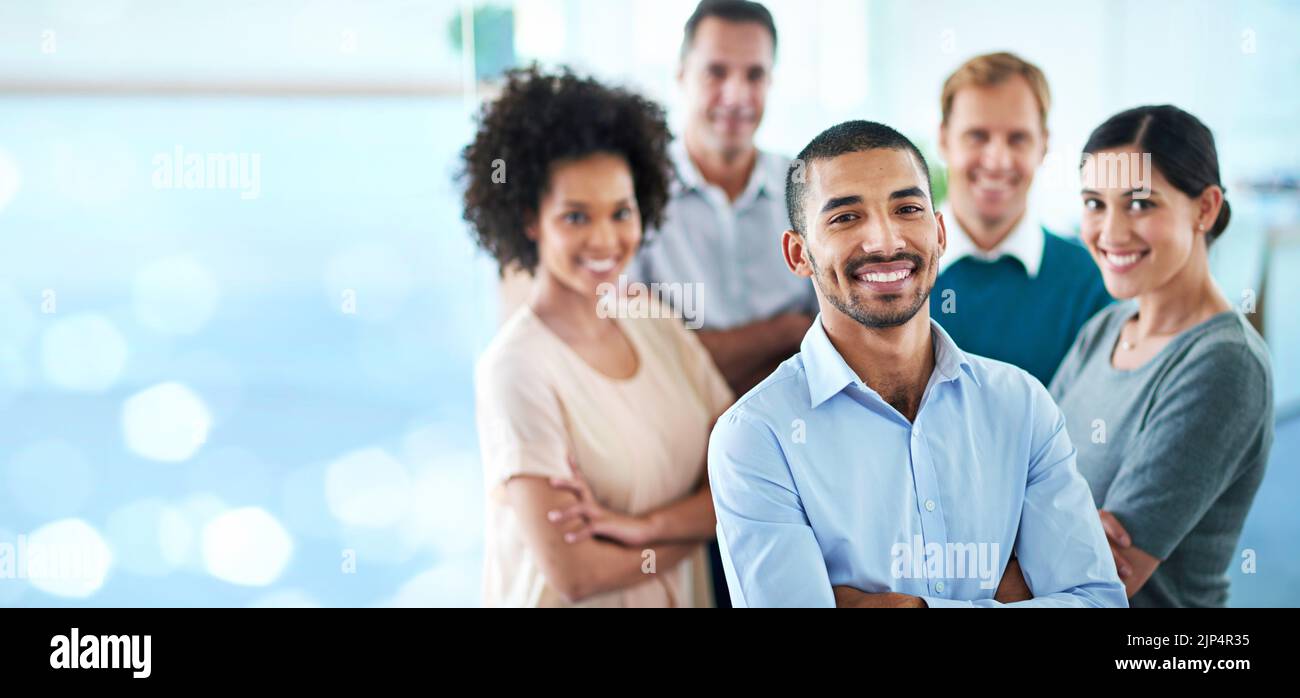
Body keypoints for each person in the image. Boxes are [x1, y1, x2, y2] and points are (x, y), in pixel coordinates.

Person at [707, 119, 1127, 608]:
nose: (884, 241)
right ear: (798, 253)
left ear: (940, 231)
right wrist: (1007, 596)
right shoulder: (757, 436)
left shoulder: (1022, 405)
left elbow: (1098, 602)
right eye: (845, 218)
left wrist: (913, 607)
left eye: (907, 209)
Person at [463, 66, 733, 607]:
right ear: (530, 219)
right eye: (576, 216)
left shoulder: (654, 321)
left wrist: (645, 528)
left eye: (620, 212)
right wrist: (696, 528)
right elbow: (577, 572)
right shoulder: (517, 368)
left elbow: (742, 477)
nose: (605, 239)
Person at [1049, 105, 1274, 607]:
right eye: (1094, 203)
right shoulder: (1106, 328)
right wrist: (1057, 525)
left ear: (1205, 209)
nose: (1111, 232)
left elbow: (1103, 578)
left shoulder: (1224, 365)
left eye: (1140, 204)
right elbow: (1022, 467)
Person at [629, 0, 816, 398]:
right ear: (680, 76)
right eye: (716, 72)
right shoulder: (633, 195)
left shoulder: (808, 185)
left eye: (754, 75)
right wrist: (788, 331)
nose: (736, 96)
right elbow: (646, 359)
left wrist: (701, 346)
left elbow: (840, 345)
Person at [931, 52, 1110, 386]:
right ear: (944, 139)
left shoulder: (1091, 282)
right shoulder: (892, 271)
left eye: (1018, 138)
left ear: (1043, 145)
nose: (997, 160)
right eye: (977, 136)